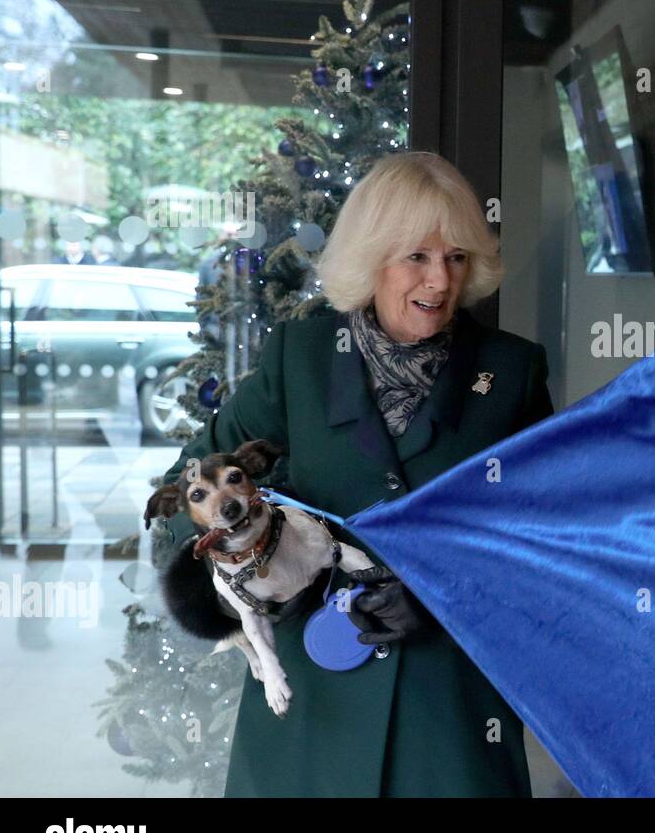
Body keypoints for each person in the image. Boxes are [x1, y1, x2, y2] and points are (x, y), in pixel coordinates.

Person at [151, 151, 553, 796]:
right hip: (311, 708)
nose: (441, 280)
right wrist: (248, 569)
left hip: (445, 714)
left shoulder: (510, 374)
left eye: (456, 257)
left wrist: (445, 599)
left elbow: (546, 536)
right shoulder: (300, 360)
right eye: (416, 257)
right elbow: (185, 492)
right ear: (371, 259)